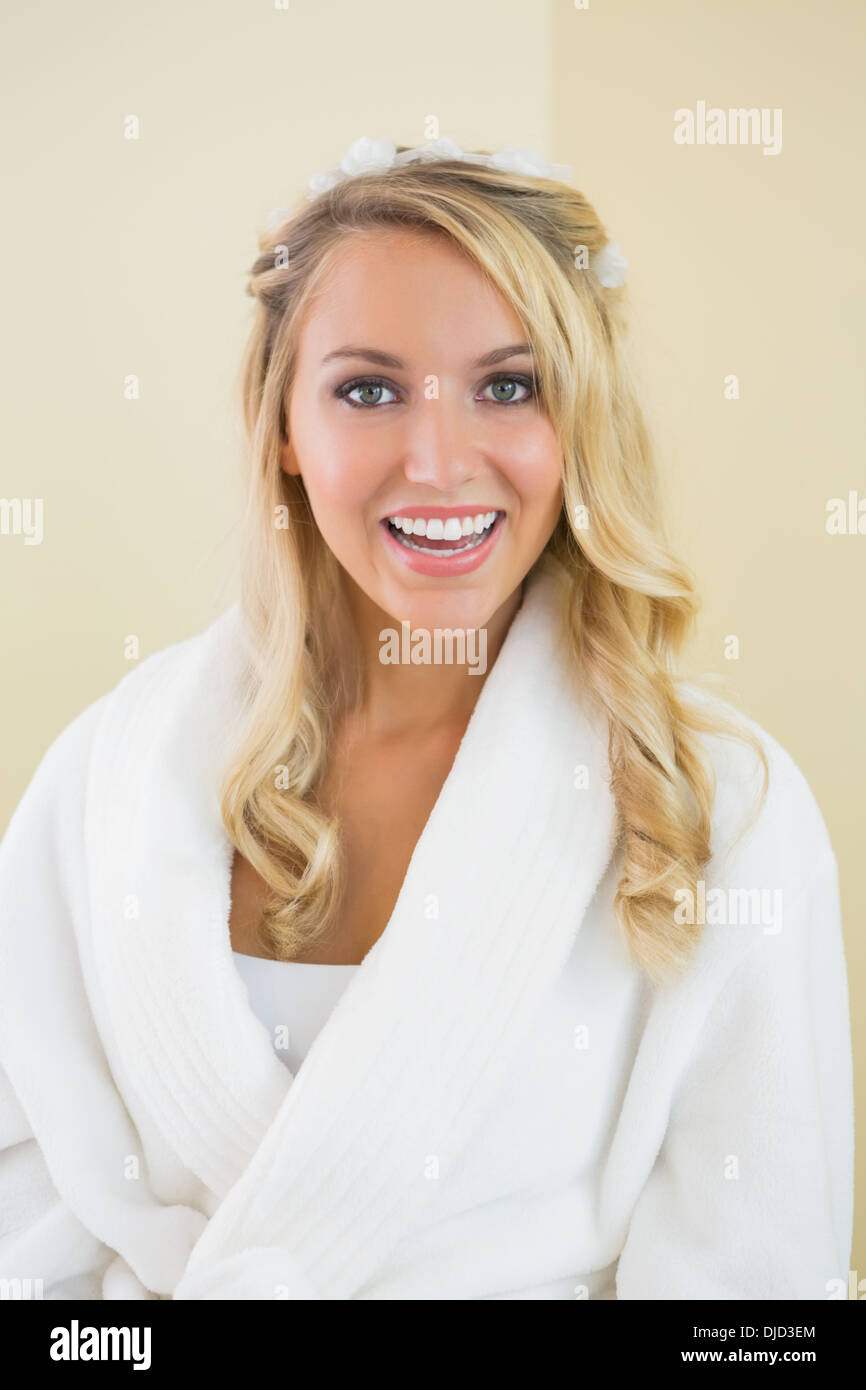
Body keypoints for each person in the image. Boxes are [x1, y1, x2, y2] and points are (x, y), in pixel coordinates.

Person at [0, 136, 853, 1301]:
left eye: (508, 386)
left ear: (578, 423)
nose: (439, 460)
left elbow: (751, 1297)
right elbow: (26, 1213)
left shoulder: (715, 804)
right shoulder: (106, 778)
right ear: (286, 429)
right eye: (367, 389)